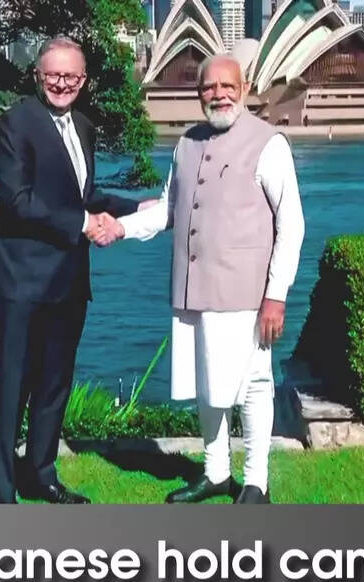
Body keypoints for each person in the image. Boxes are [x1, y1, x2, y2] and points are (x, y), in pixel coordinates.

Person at [104, 54, 306, 504]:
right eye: (208, 88)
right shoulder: (186, 143)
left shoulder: (268, 143)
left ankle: (256, 481)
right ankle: (215, 472)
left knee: (253, 384)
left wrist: (276, 296)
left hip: (246, 294)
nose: (219, 94)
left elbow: (291, 225)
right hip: (191, 290)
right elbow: (168, 209)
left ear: (245, 85)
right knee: (205, 385)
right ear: (198, 95)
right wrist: (120, 227)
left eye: (227, 85)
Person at [0, 36, 141, 504]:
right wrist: (84, 223)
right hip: (22, 283)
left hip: (69, 283)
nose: (61, 83)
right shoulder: (12, 125)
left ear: (84, 81)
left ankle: (42, 475)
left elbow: (84, 198)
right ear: (37, 74)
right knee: (12, 385)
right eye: (53, 74)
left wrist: (139, 209)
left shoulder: (85, 128)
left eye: (71, 76)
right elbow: (16, 202)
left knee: (54, 386)